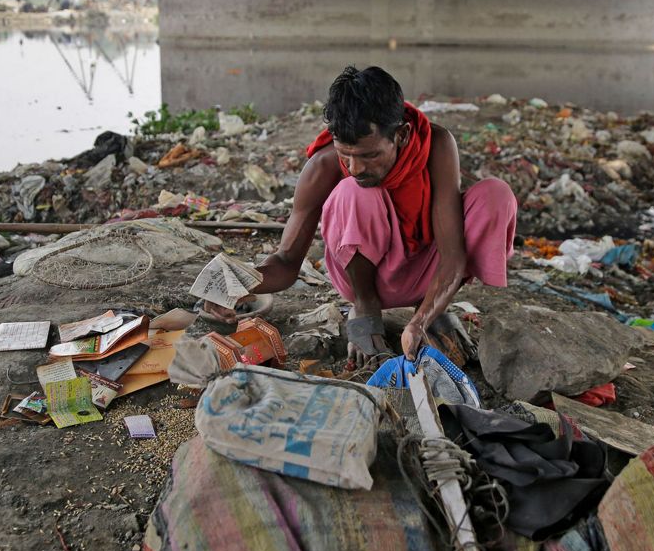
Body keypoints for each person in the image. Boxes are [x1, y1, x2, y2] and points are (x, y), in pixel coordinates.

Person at [203, 65, 517, 361]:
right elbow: (286, 262)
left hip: (428, 274)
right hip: (364, 282)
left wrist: (419, 322)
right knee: (354, 190)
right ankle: (365, 309)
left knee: (494, 194)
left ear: (402, 135)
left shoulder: (435, 145)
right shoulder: (323, 167)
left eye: (370, 155)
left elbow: (452, 254)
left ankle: (432, 308)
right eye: (346, 155)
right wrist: (233, 285)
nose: (355, 167)